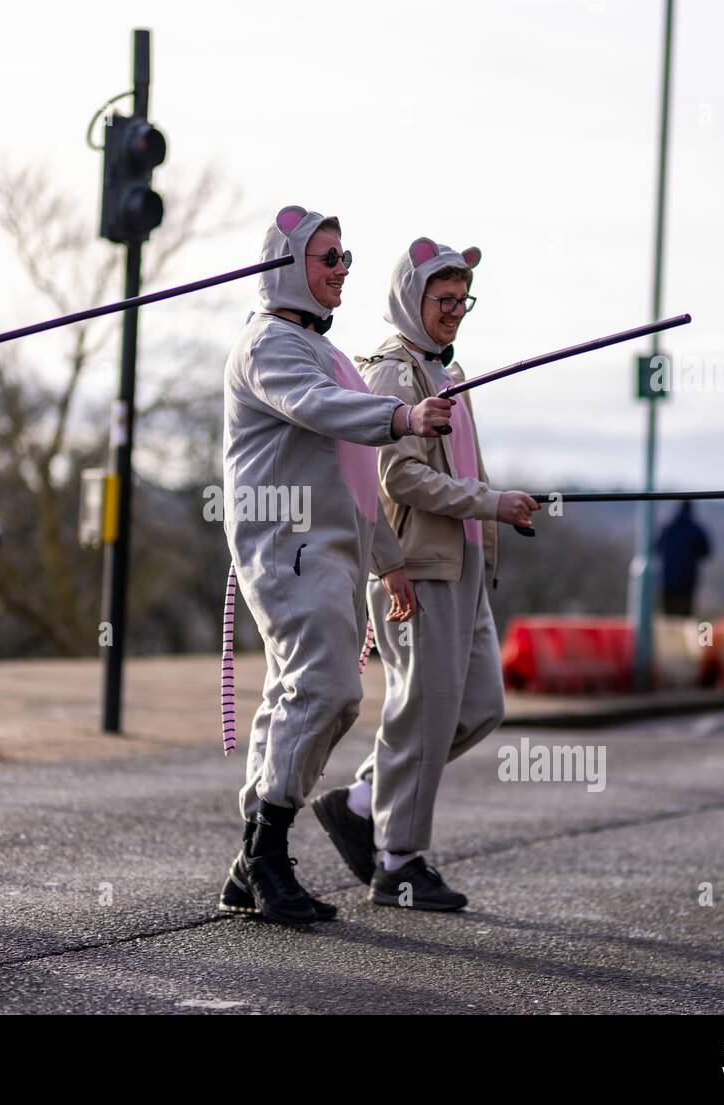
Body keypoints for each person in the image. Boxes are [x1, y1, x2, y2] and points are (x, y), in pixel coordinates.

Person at [217, 207, 453, 926]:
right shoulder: (270, 345)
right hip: (287, 544)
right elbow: (322, 411)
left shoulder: (326, 350)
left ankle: (252, 860)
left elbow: (354, 478)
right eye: (328, 257)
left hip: (328, 551)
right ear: (287, 266)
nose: (342, 268)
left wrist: (389, 562)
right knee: (326, 687)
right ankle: (264, 855)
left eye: (346, 257)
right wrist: (404, 418)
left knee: (302, 692)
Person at [310, 238, 539, 910]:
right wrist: (488, 501)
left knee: (478, 707)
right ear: (411, 298)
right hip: (418, 568)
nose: (455, 311)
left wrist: (500, 510)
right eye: (443, 299)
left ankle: (359, 800)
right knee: (423, 713)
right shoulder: (392, 375)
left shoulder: (450, 370)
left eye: (462, 299)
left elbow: (464, 467)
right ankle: (399, 861)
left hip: (464, 565)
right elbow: (398, 478)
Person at [656, 500, 712, 616]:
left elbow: (657, 549)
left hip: (667, 580)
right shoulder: (696, 530)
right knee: (685, 619)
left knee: (668, 619)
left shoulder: (667, 528)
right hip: (687, 581)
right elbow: (706, 552)